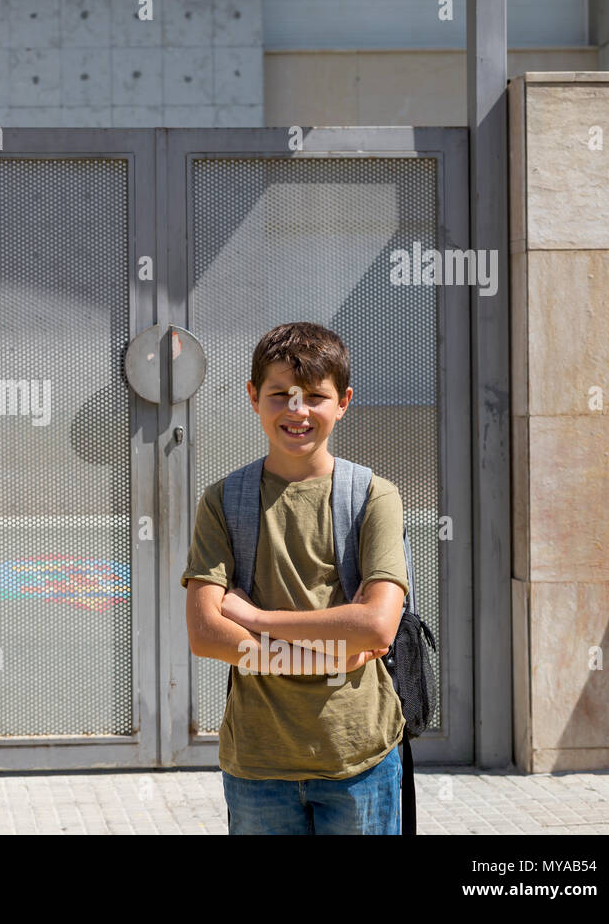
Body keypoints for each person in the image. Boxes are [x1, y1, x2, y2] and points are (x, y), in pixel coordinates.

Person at [182, 321, 409, 834]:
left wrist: (255, 616)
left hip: (359, 758)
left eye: (314, 396)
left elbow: (375, 627)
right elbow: (205, 634)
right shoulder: (223, 501)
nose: (296, 411)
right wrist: (328, 652)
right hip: (258, 763)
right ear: (253, 396)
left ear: (344, 401)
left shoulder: (374, 497)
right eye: (280, 394)